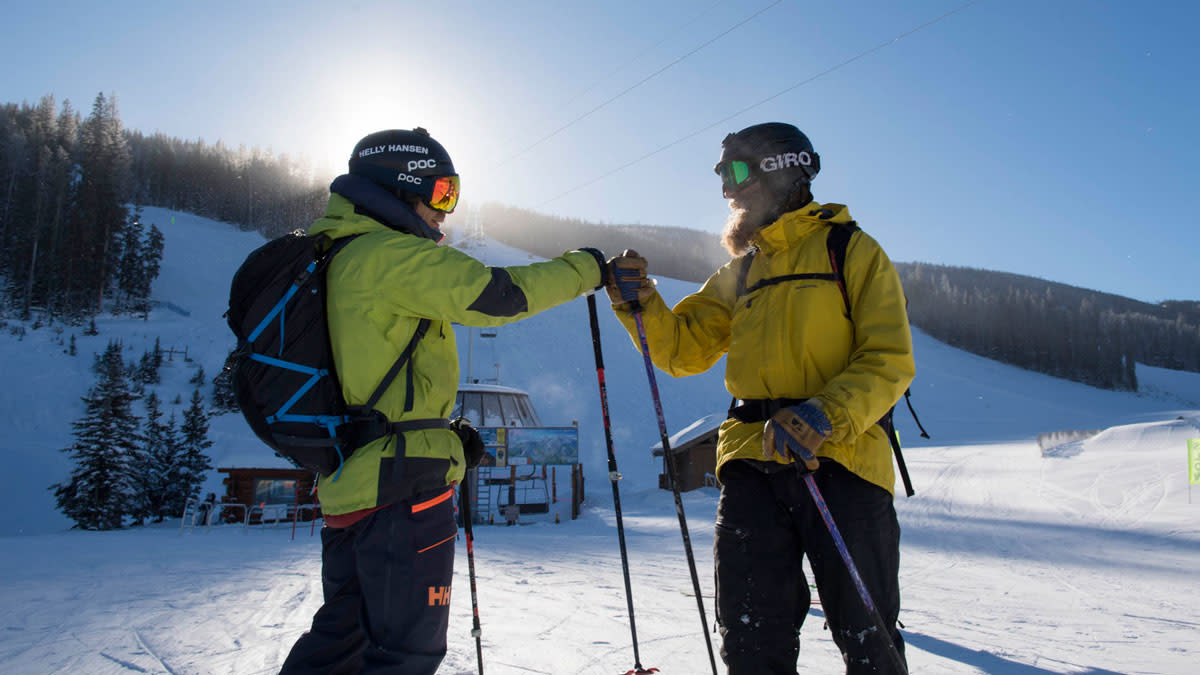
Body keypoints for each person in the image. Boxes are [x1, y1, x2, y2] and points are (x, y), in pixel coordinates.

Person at [280, 127, 608, 674]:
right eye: (441, 192)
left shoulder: (336, 254)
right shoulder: (388, 254)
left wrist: (443, 437)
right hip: (401, 488)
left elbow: (369, 378)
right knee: (406, 654)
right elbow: (498, 294)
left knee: (341, 645)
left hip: (350, 484)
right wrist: (588, 268)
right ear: (398, 186)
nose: (445, 211)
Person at [605, 122, 915, 674]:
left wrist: (823, 413)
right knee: (750, 641)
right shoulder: (742, 270)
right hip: (752, 463)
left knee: (869, 641)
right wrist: (641, 303)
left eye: (737, 171)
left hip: (842, 461)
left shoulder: (850, 251)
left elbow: (889, 357)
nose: (727, 189)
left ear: (781, 169)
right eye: (721, 174)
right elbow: (683, 350)